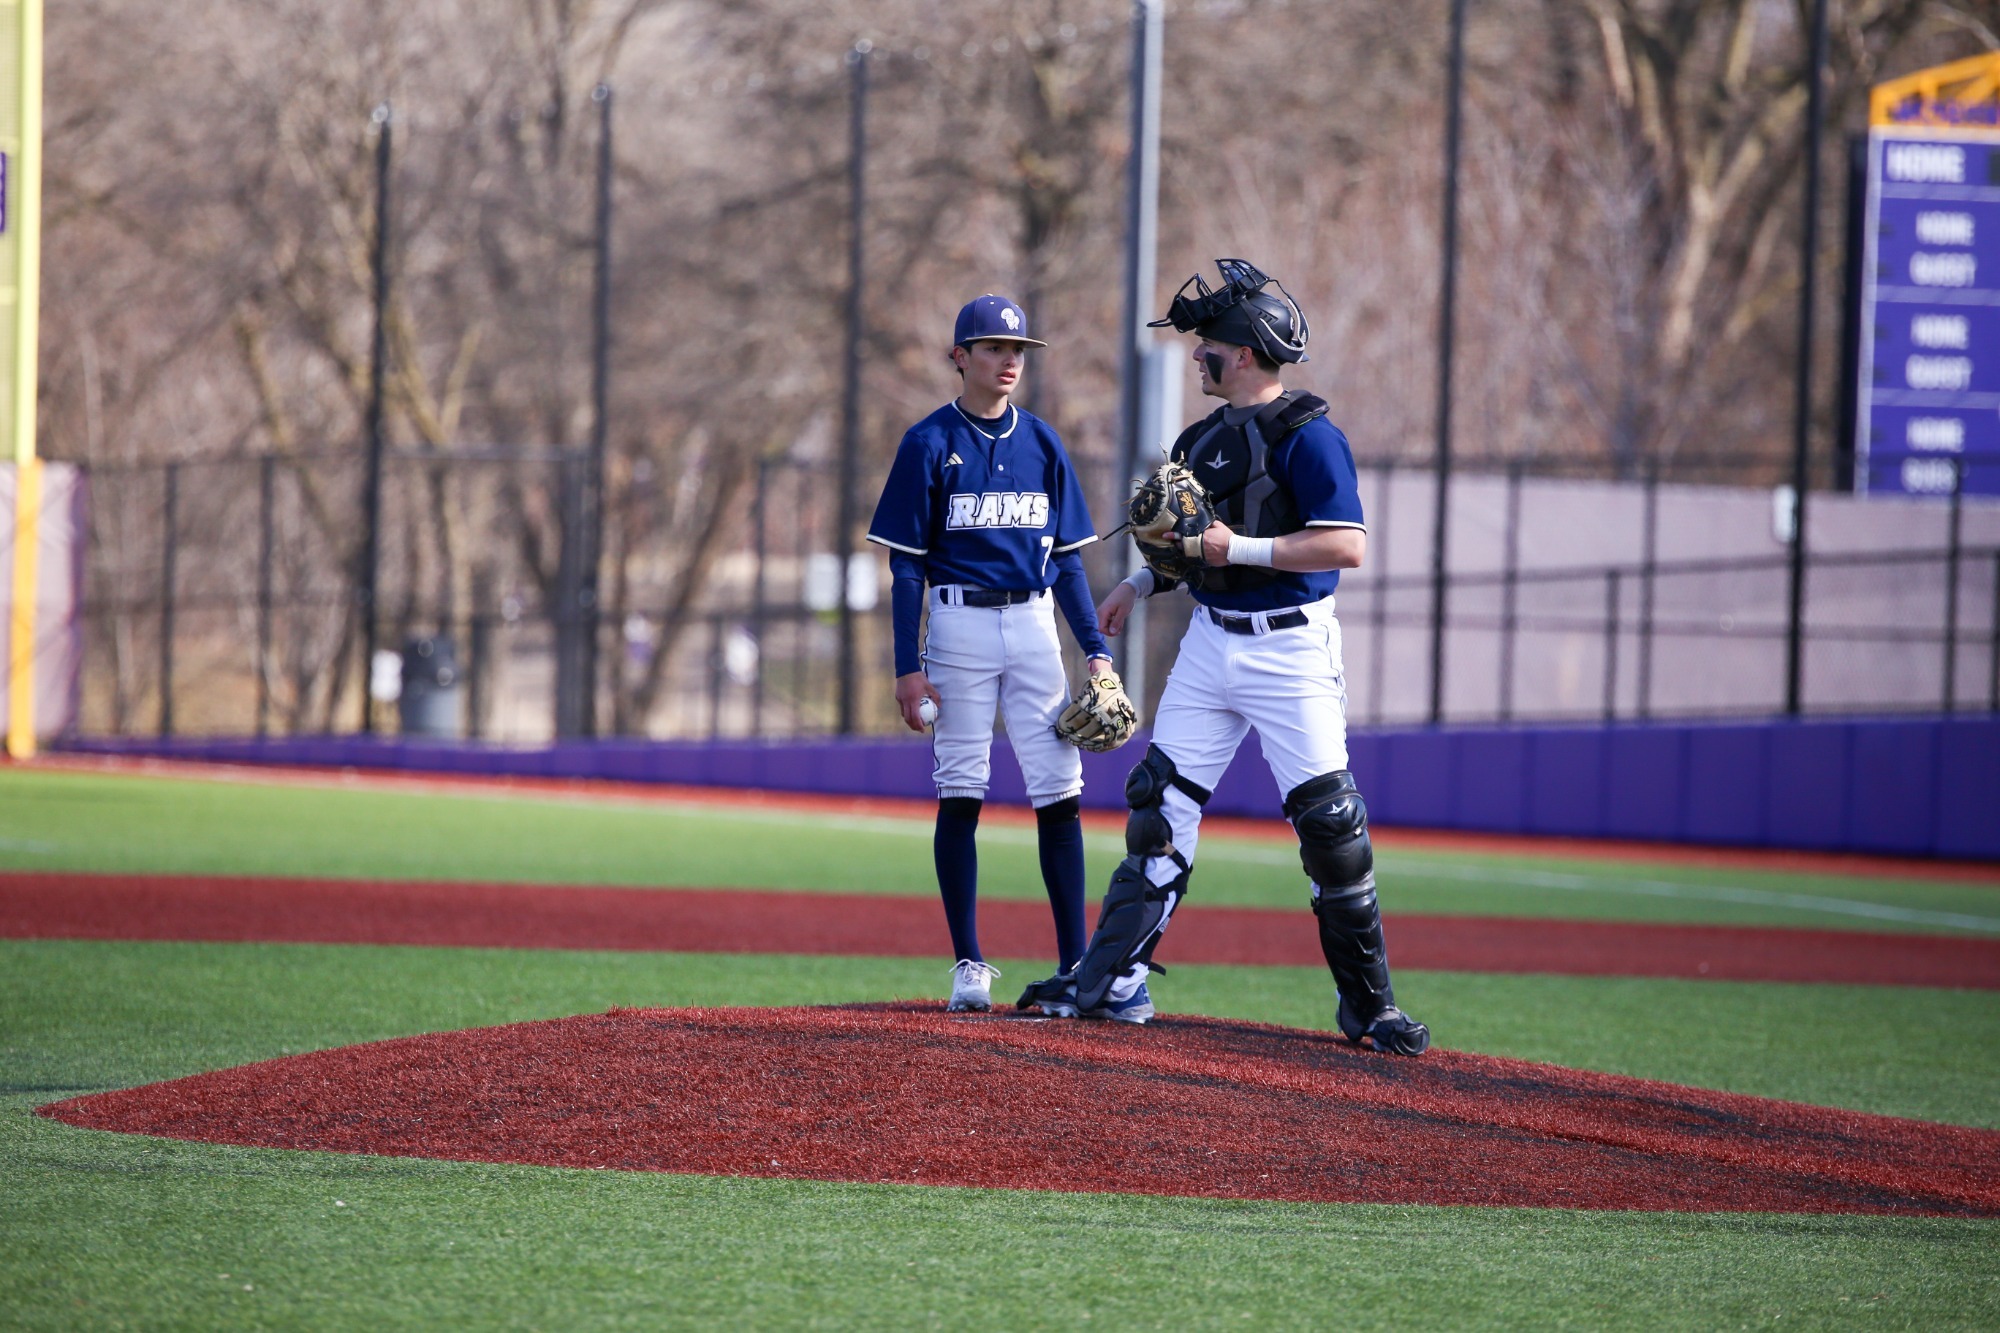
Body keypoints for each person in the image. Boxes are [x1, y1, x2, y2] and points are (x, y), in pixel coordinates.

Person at [1017, 260, 1429, 1055]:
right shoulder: (1197, 440)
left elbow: (1347, 544)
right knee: (1158, 809)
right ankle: (1113, 984)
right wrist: (1139, 583)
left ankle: (1371, 1010)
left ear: (1241, 353)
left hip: (1292, 646)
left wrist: (1234, 543)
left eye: (1207, 344)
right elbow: (1186, 546)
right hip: (1212, 639)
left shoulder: (1312, 436)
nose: (1197, 355)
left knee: (1332, 829)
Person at [866, 294, 1115, 1012]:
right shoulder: (927, 443)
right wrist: (905, 667)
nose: (1010, 361)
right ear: (960, 357)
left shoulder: (1043, 443)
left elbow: (1068, 562)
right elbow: (906, 567)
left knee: (1059, 791)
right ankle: (969, 963)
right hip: (957, 628)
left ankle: (1077, 966)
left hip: (1035, 624)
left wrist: (1095, 652)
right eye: (995, 349)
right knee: (961, 790)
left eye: (1018, 352)